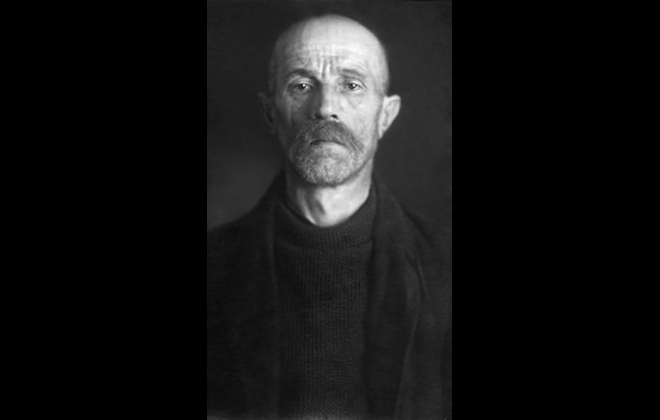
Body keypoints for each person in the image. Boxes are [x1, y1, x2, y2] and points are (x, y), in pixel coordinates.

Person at [207, 14, 452, 420]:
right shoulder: (213, 267)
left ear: (385, 116)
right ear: (270, 112)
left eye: (351, 85)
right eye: (301, 86)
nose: (325, 108)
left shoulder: (446, 265)